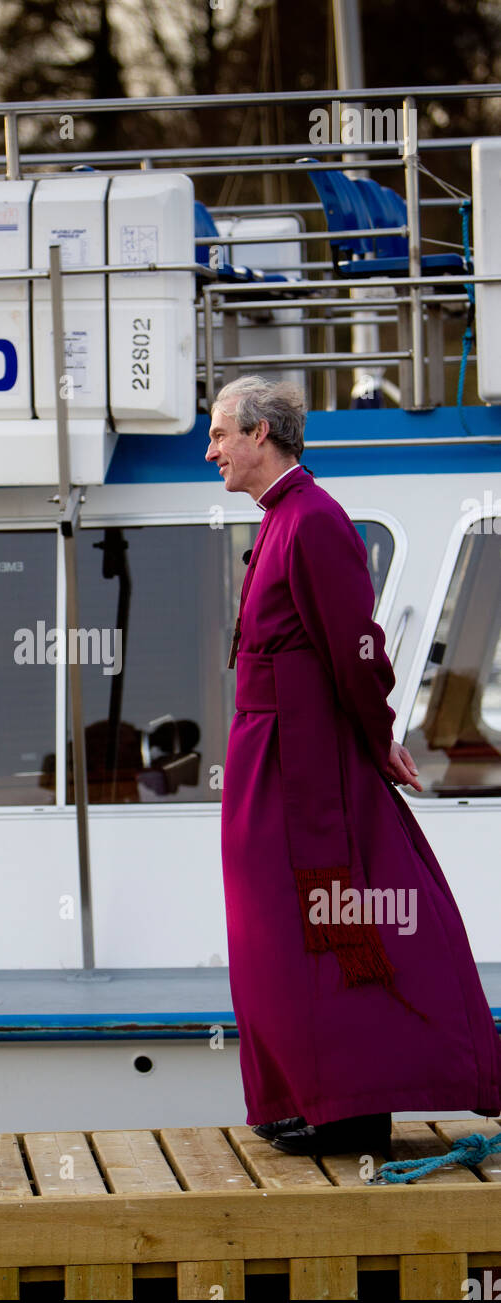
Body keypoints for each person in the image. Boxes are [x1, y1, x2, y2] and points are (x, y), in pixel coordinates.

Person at [207, 375, 501, 1157]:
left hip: (307, 775)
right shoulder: (283, 520)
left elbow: (358, 651)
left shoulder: (313, 523)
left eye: (220, 435)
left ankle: (347, 1107)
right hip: (274, 762)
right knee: (277, 931)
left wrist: (378, 740)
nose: (212, 452)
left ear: (260, 436)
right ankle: (311, 1098)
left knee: (318, 929)